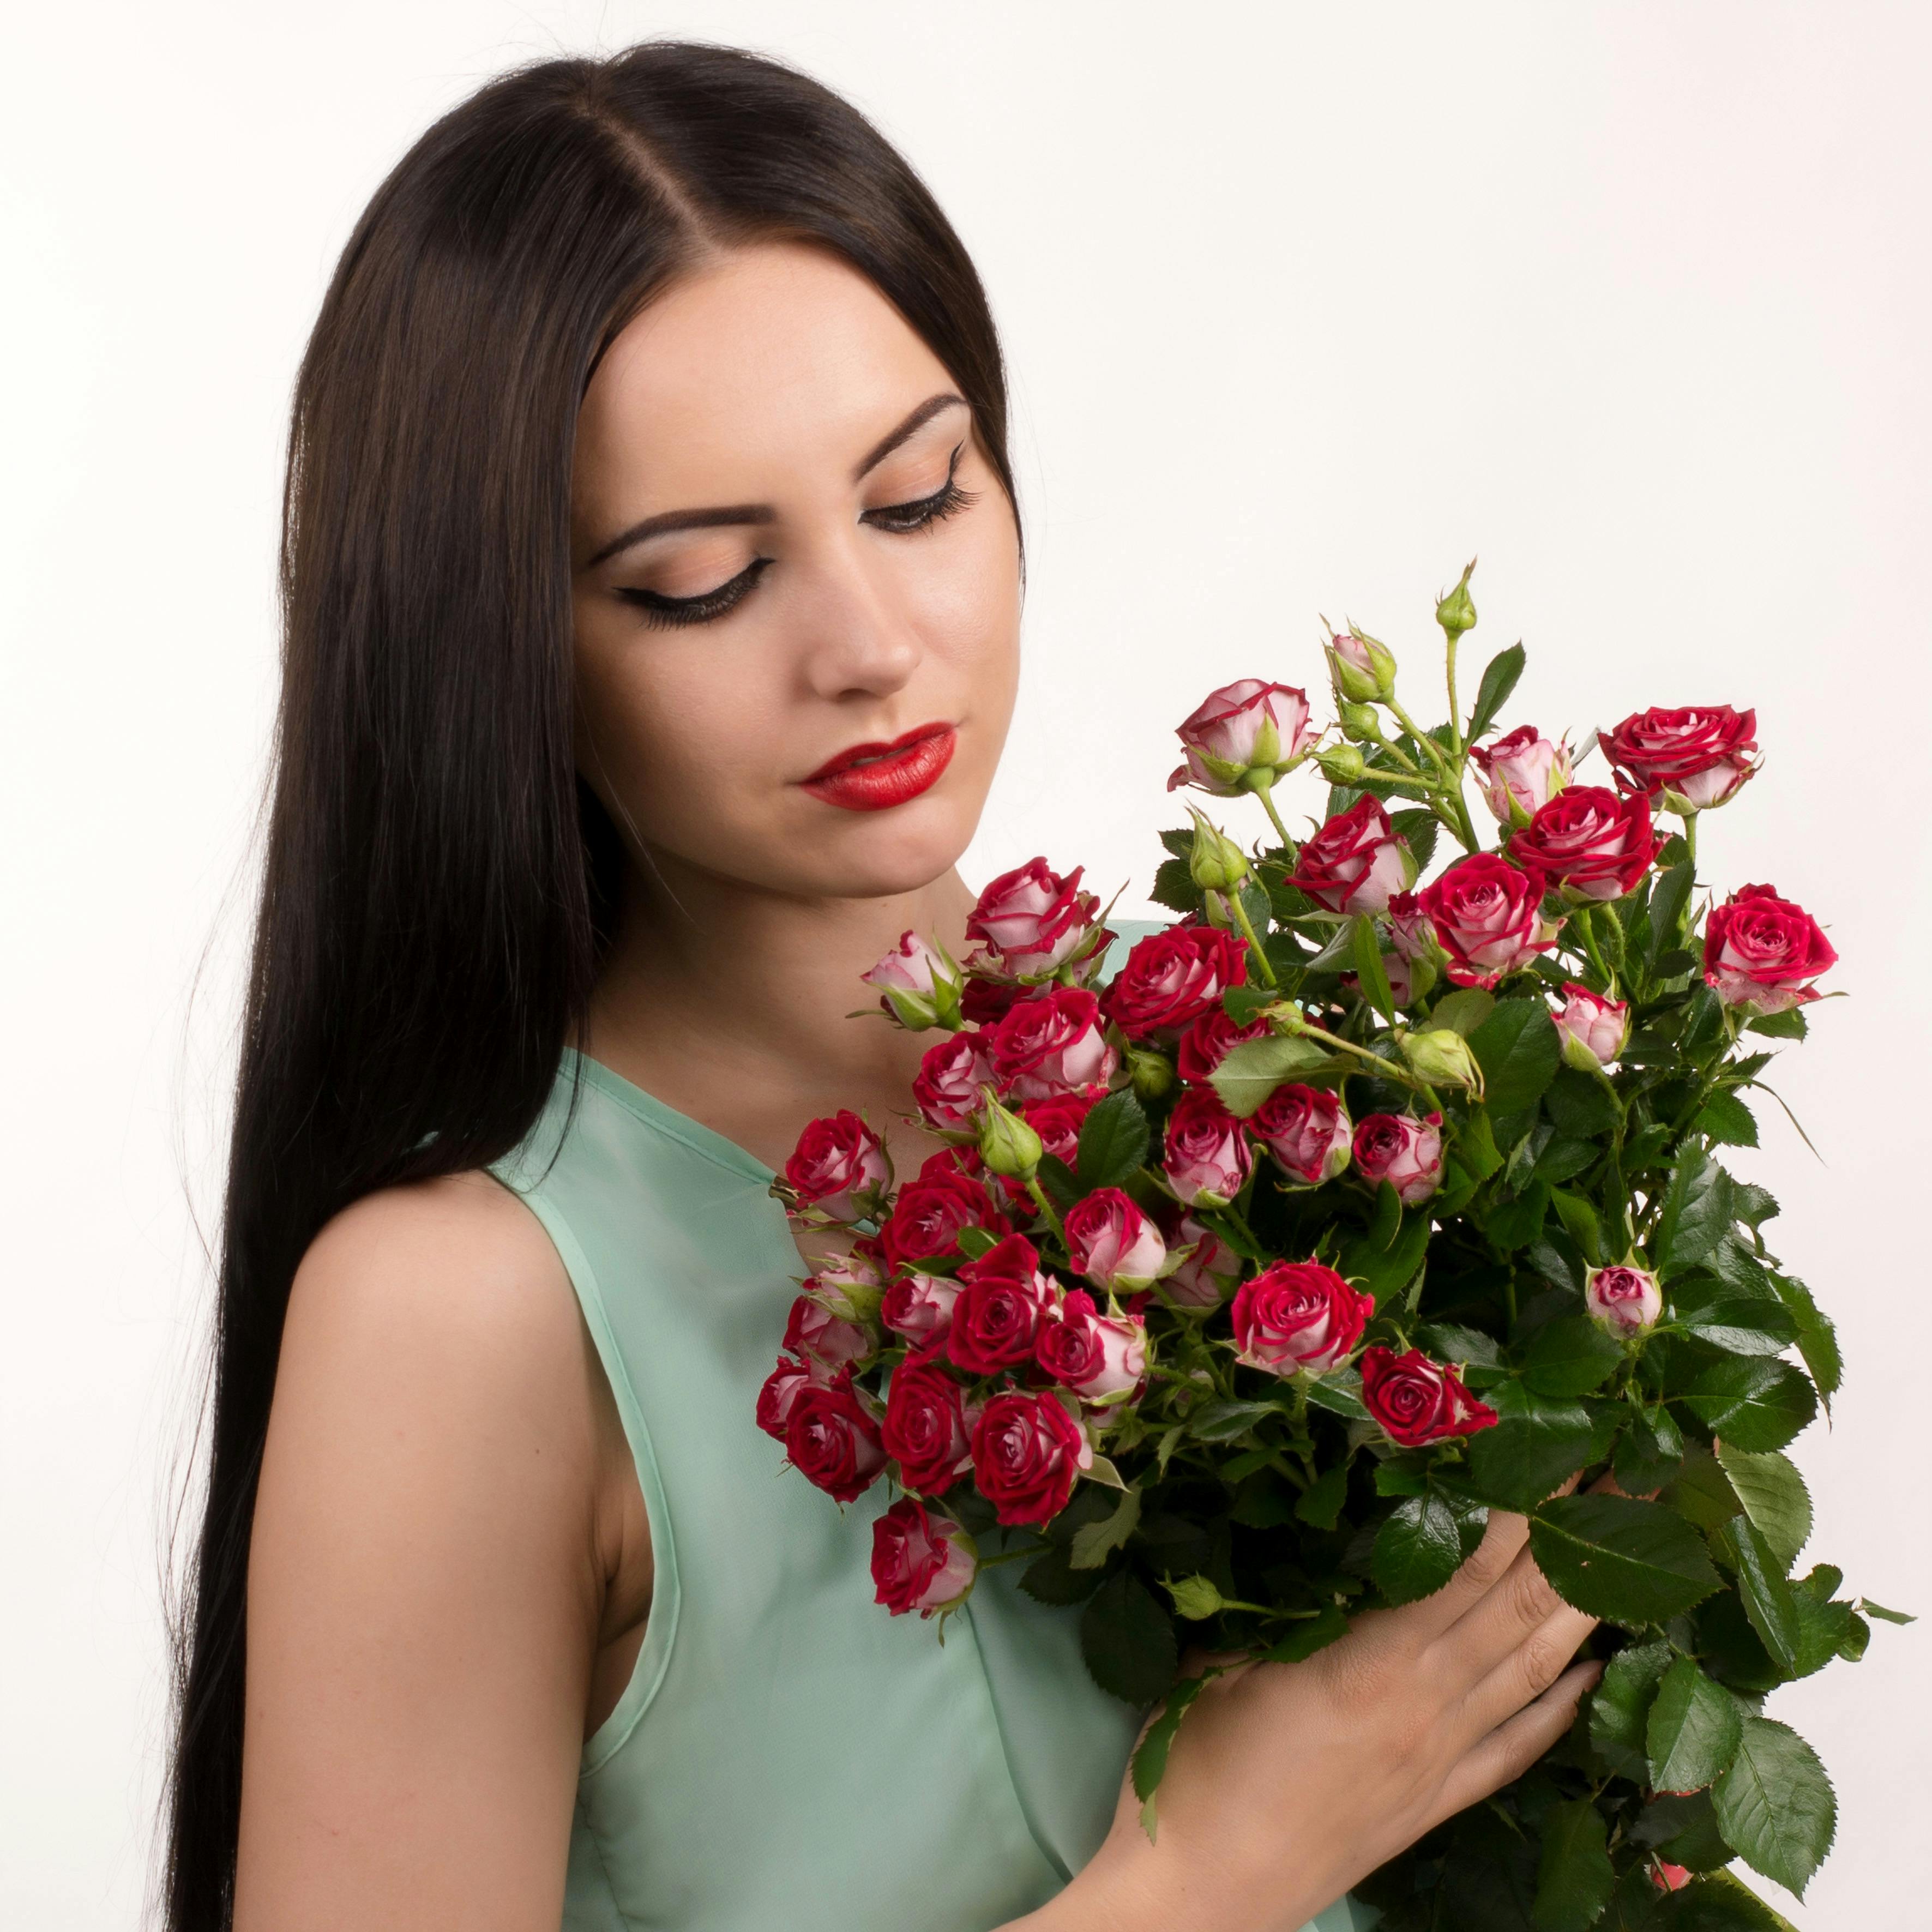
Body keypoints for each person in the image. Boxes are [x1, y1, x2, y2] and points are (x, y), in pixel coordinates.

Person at [165, 41, 1603, 1932]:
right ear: (498, 652)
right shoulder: (462, 1318)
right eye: (700, 583)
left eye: (919, 498)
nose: (868, 645)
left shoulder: (1266, 1082)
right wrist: (1213, 1875)